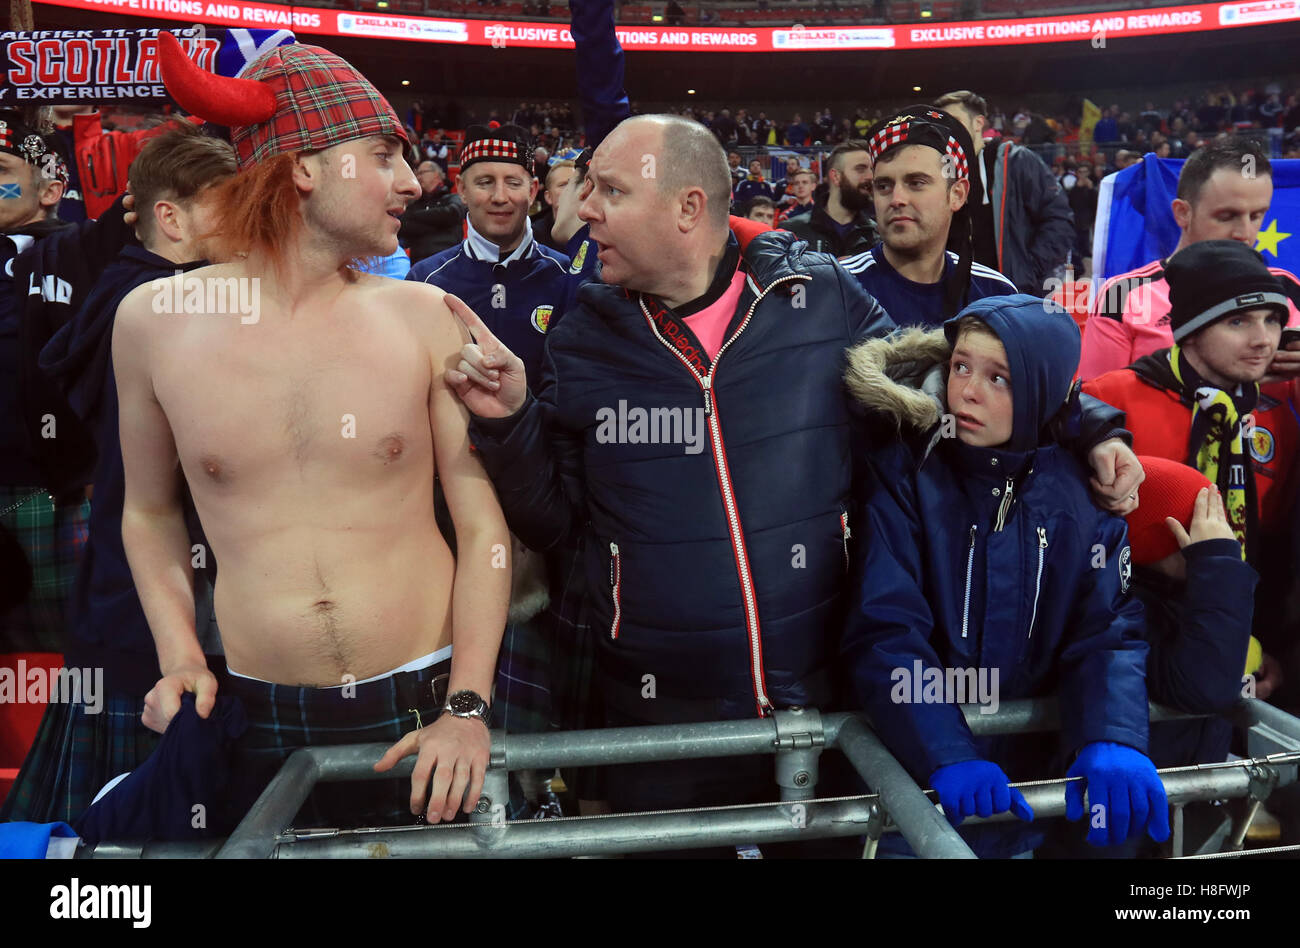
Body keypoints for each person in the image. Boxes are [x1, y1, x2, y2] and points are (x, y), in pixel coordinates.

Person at [447, 114, 1145, 821]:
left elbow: (958, 375)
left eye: (611, 190)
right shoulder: (584, 338)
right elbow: (557, 522)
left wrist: (1090, 427)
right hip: (657, 718)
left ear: (687, 207)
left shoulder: (816, 297)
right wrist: (510, 422)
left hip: (826, 709)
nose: (584, 207)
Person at [118, 33, 512, 830]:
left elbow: (481, 526)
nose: (411, 181)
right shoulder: (154, 321)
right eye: (382, 155)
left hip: (427, 707)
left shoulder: (426, 316)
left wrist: (468, 705)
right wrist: (180, 656)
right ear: (305, 168)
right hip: (252, 709)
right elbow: (149, 511)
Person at [842, 295, 1167, 857]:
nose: (967, 390)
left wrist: (1113, 735)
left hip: (1030, 793)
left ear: (1043, 389)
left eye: (1000, 378)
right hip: (911, 793)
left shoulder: (1083, 499)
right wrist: (945, 750)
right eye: (962, 366)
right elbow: (886, 628)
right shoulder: (904, 473)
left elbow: (1108, 633)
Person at [1, 123, 236, 824]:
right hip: (150, 607)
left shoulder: (145, 289)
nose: (255, 220)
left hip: (142, 597)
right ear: (170, 216)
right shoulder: (150, 306)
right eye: (234, 201)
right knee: (136, 826)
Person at [1082, 240, 1297, 702]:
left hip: (1246, 653)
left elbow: (1278, 553)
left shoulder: (1279, 411)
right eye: (1238, 321)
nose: (1262, 339)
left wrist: (1272, 651)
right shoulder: (1109, 399)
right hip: (1131, 658)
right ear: (1191, 331)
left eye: (1272, 320)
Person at [1077, 137, 1300, 381]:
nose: (1245, 233)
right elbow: (1095, 405)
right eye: (1226, 216)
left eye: (1256, 215)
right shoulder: (1122, 295)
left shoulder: (1287, 288)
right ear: (1183, 213)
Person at [408, 125, 575, 380]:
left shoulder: (567, 278)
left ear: (532, 191)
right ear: (461, 190)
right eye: (485, 182)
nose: (499, 197)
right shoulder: (426, 281)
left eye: (513, 183)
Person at [841, 107, 1016, 329]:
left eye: (916, 183)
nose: (897, 199)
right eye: (883, 186)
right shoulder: (839, 289)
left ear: (957, 194)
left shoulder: (997, 294)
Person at [934, 91, 1075, 296]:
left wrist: (1028, 272)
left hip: (1013, 295)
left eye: (955, 121)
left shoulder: (1016, 161)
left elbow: (1058, 220)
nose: (949, 130)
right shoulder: (941, 174)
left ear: (978, 123)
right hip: (960, 299)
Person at [783, 139, 877, 257]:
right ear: (836, 176)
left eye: (872, 170)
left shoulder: (877, 236)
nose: (870, 177)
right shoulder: (792, 231)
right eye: (860, 169)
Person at [398, 160, 465, 264]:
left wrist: (415, 217)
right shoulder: (414, 204)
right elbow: (404, 225)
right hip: (419, 266)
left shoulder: (452, 198)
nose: (418, 177)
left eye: (421, 173)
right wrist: (440, 224)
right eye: (417, 174)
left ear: (436, 175)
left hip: (448, 263)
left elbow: (453, 212)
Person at [532, 159, 576, 251]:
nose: (572, 189)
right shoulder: (533, 239)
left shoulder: (597, 234)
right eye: (563, 185)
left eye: (577, 184)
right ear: (548, 197)